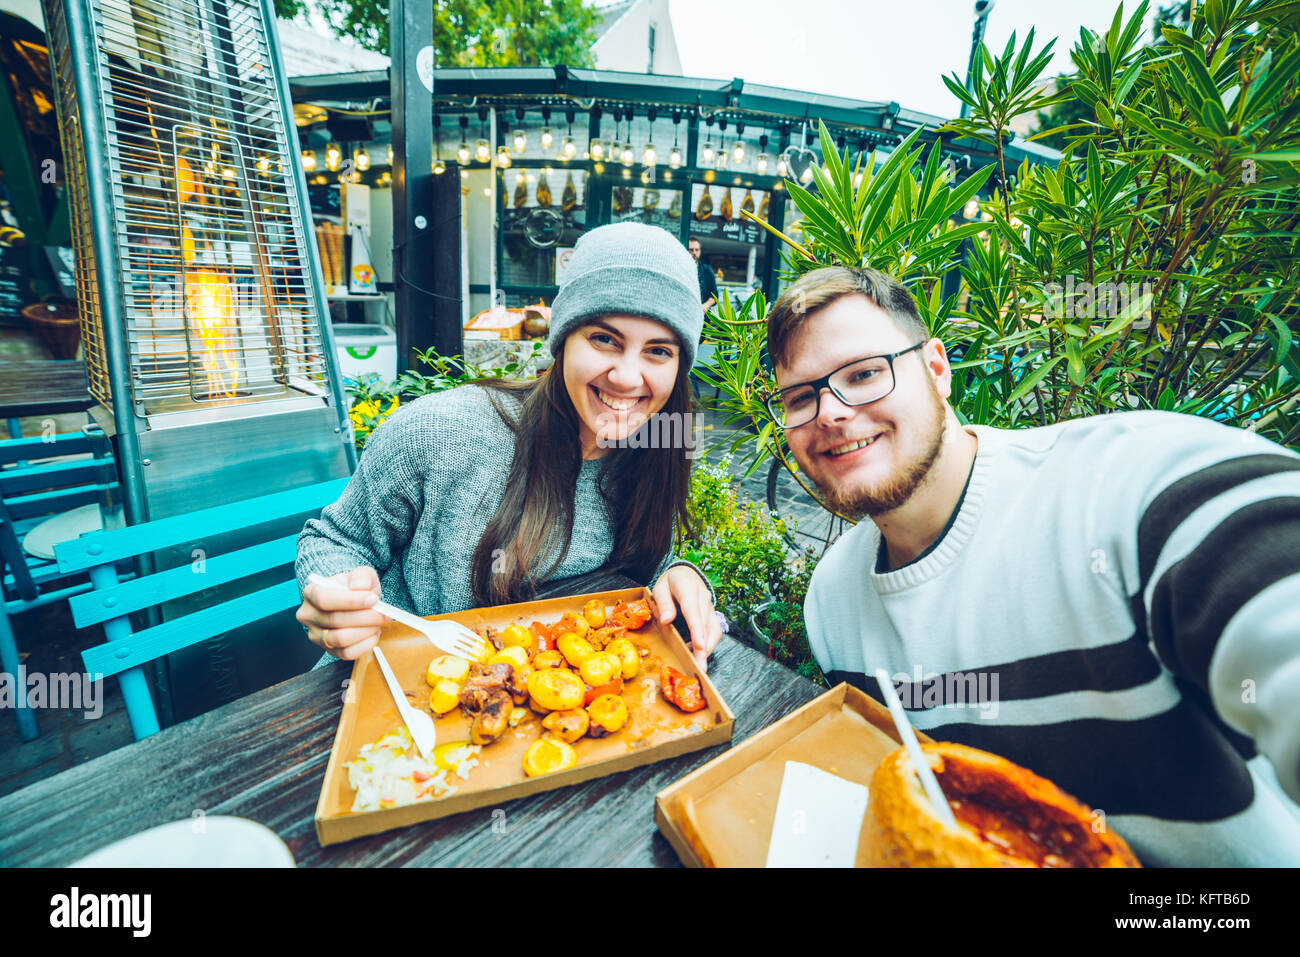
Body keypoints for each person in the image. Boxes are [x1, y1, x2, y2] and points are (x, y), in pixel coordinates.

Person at [766, 264, 1300, 867]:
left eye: (864, 373)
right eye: (800, 397)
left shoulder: (1125, 487)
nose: (831, 413)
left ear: (936, 369)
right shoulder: (833, 604)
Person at [296, 222, 723, 672]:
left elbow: (640, 563)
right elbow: (337, 540)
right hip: (392, 689)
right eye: (604, 339)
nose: (627, 377)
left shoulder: (658, 445)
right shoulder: (443, 432)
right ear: (562, 342)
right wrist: (338, 594)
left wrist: (676, 575)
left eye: (658, 351)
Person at [688, 237, 717, 313]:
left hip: (703, 317)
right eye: (691, 250)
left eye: (697, 250)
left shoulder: (707, 270)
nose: (694, 252)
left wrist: (705, 306)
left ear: (700, 251)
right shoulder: (680, 268)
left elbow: (714, 295)